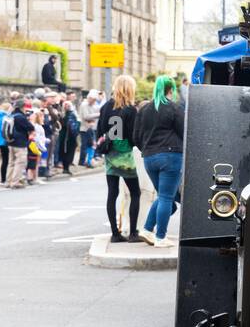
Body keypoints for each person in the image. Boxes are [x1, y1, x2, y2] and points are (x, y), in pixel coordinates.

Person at [136, 75, 185, 248]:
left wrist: (148, 150)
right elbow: (184, 132)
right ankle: (160, 237)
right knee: (166, 197)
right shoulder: (174, 108)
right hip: (170, 157)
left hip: (149, 158)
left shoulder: (144, 109)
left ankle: (147, 230)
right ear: (170, 89)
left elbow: (136, 136)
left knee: (164, 197)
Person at [97, 75, 142, 243]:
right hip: (124, 154)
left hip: (110, 153)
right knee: (135, 192)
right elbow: (133, 135)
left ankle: (115, 233)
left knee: (112, 193)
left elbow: (100, 129)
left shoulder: (106, 107)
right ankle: (133, 233)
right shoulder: (131, 109)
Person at [5, 97, 33, 188]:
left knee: (11, 163)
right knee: (20, 163)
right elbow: (30, 127)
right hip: (20, 143)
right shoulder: (21, 117)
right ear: (22, 107)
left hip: (11, 142)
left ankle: (8, 182)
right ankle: (15, 182)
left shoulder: (11, 115)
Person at [79, 89, 102, 167]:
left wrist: (93, 116)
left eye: (95, 100)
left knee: (92, 145)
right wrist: (97, 115)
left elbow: (92, 116)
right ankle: (81, 161)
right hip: (85, 128)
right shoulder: (84, 105)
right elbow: (86, 116)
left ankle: (89, 160)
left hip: (92, 128)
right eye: (93, 99)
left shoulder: (95, 105)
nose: (93, 101)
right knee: (84, 145)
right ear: (89, 98)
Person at [60, 93, 80, 173]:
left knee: (70, 151)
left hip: (71, 136)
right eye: (66, 106)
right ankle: (65, 167)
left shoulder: (71, 114)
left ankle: (66, 167)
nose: (67, 107)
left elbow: (76, 124)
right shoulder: (63, 115)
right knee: (65, 151)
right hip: (65, 136)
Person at [0, 101, 11, 184]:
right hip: (5, 141)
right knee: (6, 160)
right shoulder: (6, 118)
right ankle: (4, 179)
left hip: (0, 141)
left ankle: (3, 179)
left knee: (4, 160)